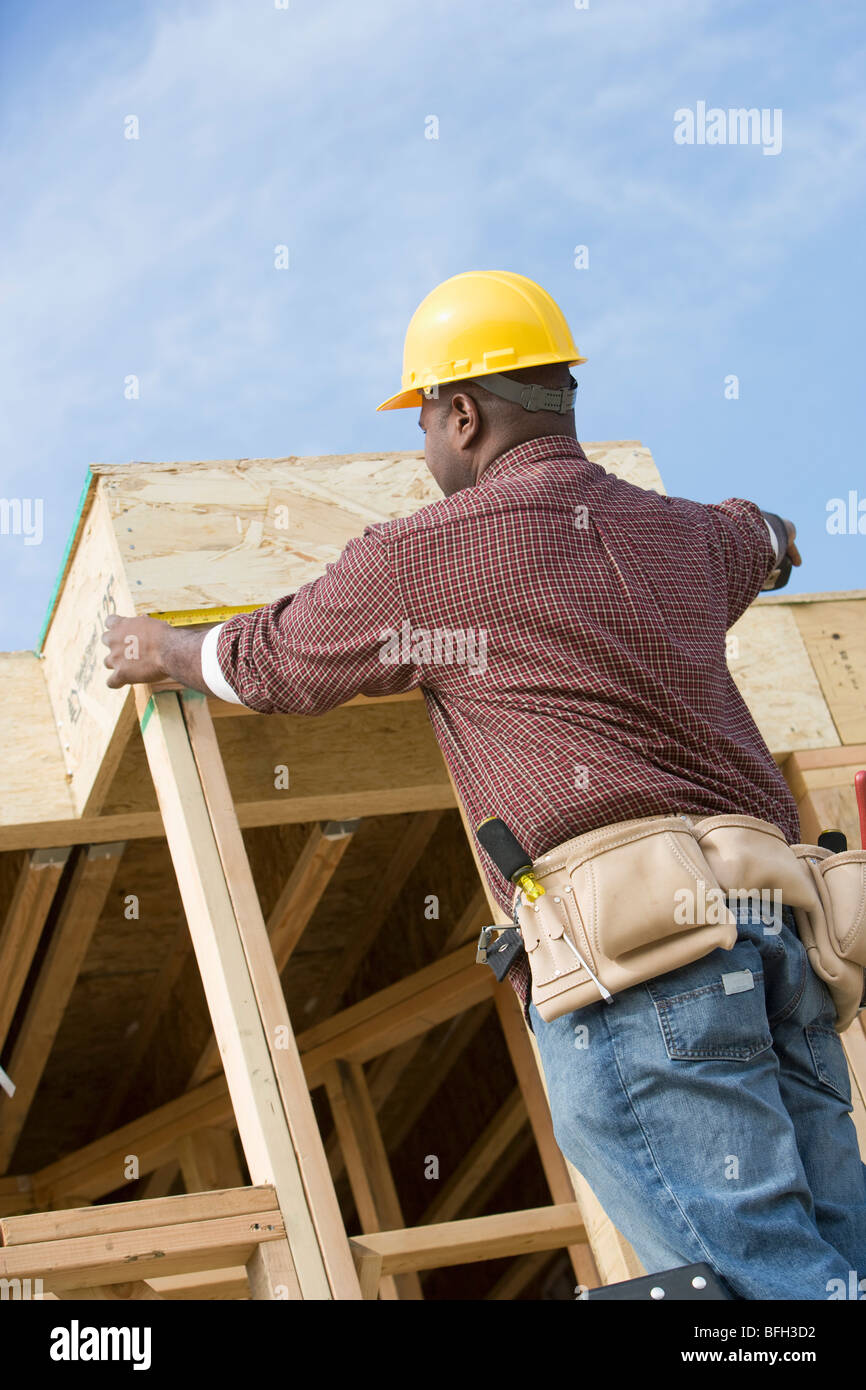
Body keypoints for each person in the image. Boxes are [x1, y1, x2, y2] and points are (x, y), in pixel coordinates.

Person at [102, 269, 865, 1299]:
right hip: (782, 945)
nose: (421, 449)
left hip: (642, 966)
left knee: (756, 1290)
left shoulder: (422, 559)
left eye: (422, 420)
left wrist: (165, 649)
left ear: (461, 413)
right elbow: (766, 534)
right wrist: (764, 546)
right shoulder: (685, 535)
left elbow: (273, 662)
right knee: (830, 1264)